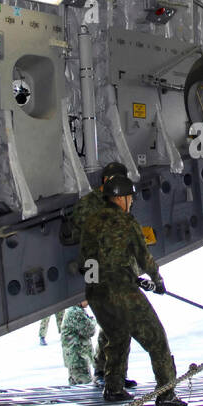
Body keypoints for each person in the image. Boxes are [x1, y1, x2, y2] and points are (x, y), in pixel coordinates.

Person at [80, 175, 185, 406]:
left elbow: (87, 260)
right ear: (120, 197)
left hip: (97, 293)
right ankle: (166, 394)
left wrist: (95, 289)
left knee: (117, 337)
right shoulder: (127, 222)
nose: (131, 201)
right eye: (129, 197)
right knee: (156, 340)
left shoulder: (91, 222)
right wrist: (157, 282)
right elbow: (144, 257)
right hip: (121, 292)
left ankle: (114, 388)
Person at [71, 161, 134, 387]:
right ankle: (105, 373)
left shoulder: (120, 199)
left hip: (118, 272)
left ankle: (116, 373)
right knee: (113, 325)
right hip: (97, 271)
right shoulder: (89, 204)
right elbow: (69, 235)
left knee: (119, 324)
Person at [59, 301, 97, 385]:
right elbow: (90, 330)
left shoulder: (75, 310)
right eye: (86, 300)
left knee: (74, 388)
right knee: (84, 388)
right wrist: (93, 321)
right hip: (78, 359)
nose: (88, 302)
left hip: (75, 358)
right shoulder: (75, 312)